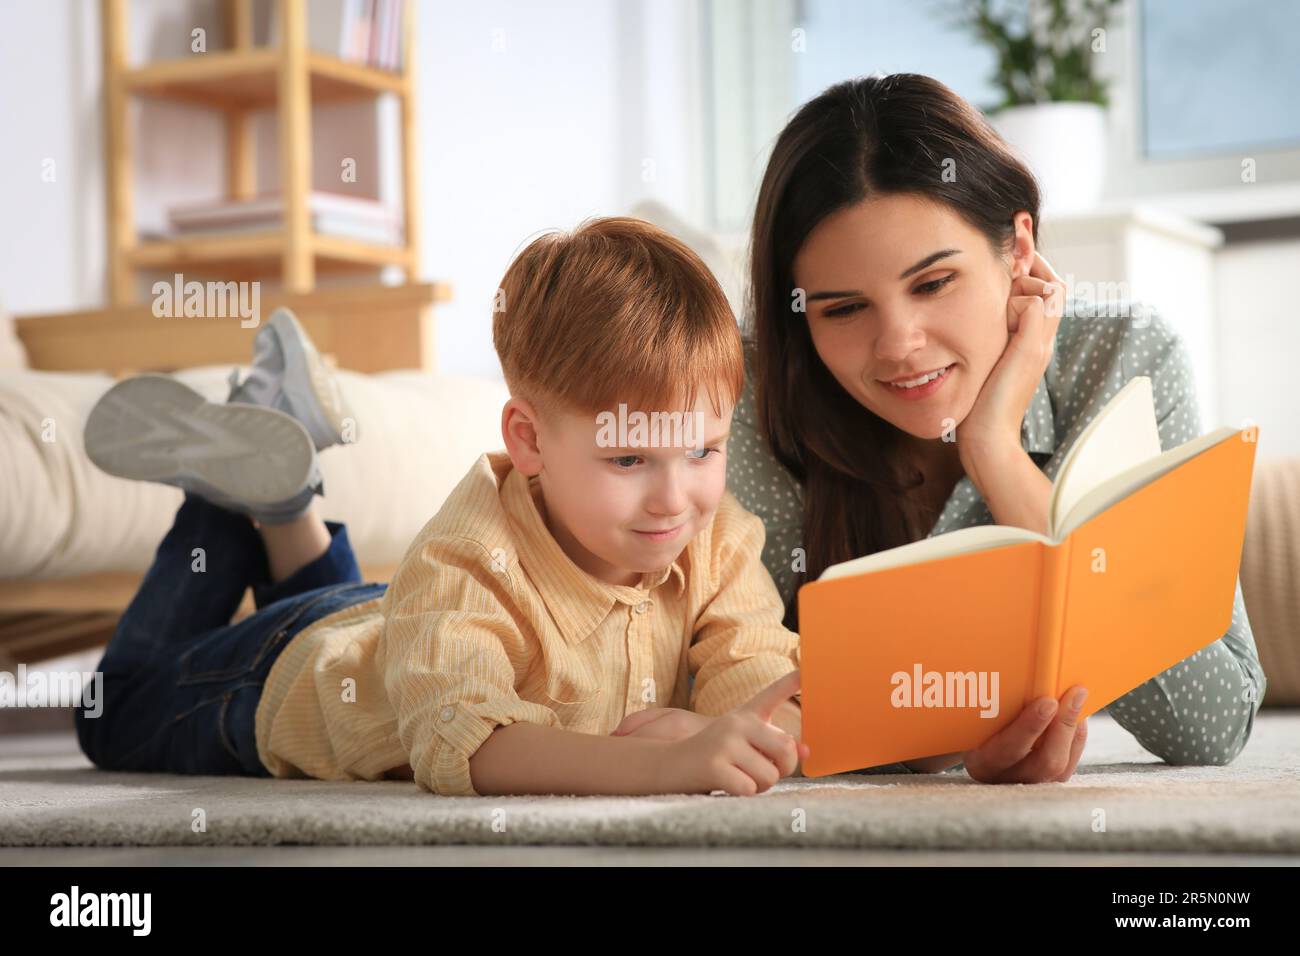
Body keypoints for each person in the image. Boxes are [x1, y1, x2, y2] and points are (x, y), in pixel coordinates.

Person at [76, 217, 807, 798]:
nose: (676, 499)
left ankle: (276, 488)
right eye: (628, 459)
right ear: (529, 441)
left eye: (704, 451)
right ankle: (230, 491)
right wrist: (665, 766)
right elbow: (465, 741)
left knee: (369, 620)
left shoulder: (718, 539)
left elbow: (760, 684)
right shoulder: (464, 555)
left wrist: (739, 730)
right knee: (112, 711)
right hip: (285, 673)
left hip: (387, 619)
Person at [727, 73, 1266, 784]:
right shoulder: (753, 392)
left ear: (1018, 249)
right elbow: (732, 686)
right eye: (843, 309)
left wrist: (996, 453)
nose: (897, 345)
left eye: (932, 284)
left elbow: (1214, 719)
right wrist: (939, 736)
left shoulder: (1125, 360)